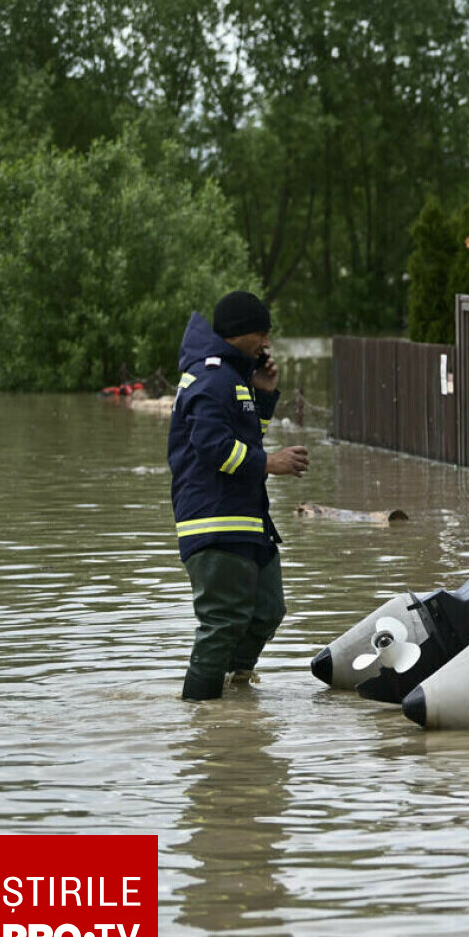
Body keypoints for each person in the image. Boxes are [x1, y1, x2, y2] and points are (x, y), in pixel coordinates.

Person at [167, 291, 310, 701]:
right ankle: (202, 713)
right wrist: (270, 463)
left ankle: (235, 696)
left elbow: (244, 436)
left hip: (248, 519)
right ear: (239, 333)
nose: (266, 343)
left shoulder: (233, 376)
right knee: (223, 621)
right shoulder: (211, 377)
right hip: (215, 520)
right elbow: (211, 447)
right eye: (261, 334)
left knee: (268, 610)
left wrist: (263, 394)